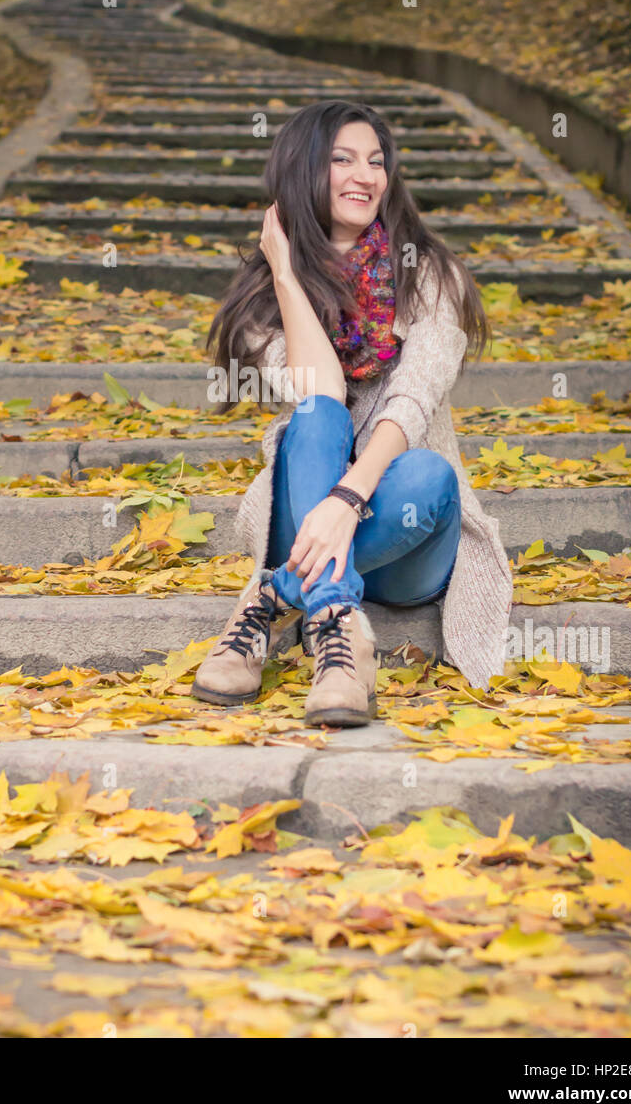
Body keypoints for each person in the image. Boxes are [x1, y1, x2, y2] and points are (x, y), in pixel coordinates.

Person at [192, 100, 513, 727]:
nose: (364, 174)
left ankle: (274, 595)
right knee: (314, 416)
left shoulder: (430, 276)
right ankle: (341, 643)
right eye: (342, 159)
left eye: (376, 161)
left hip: (404, 533)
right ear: (303, 171)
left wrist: (346, 500)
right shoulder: (266, 303)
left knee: (429, 476)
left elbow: (413, 398)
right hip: (313, 516)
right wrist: (285, 273)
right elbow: (325, 391)